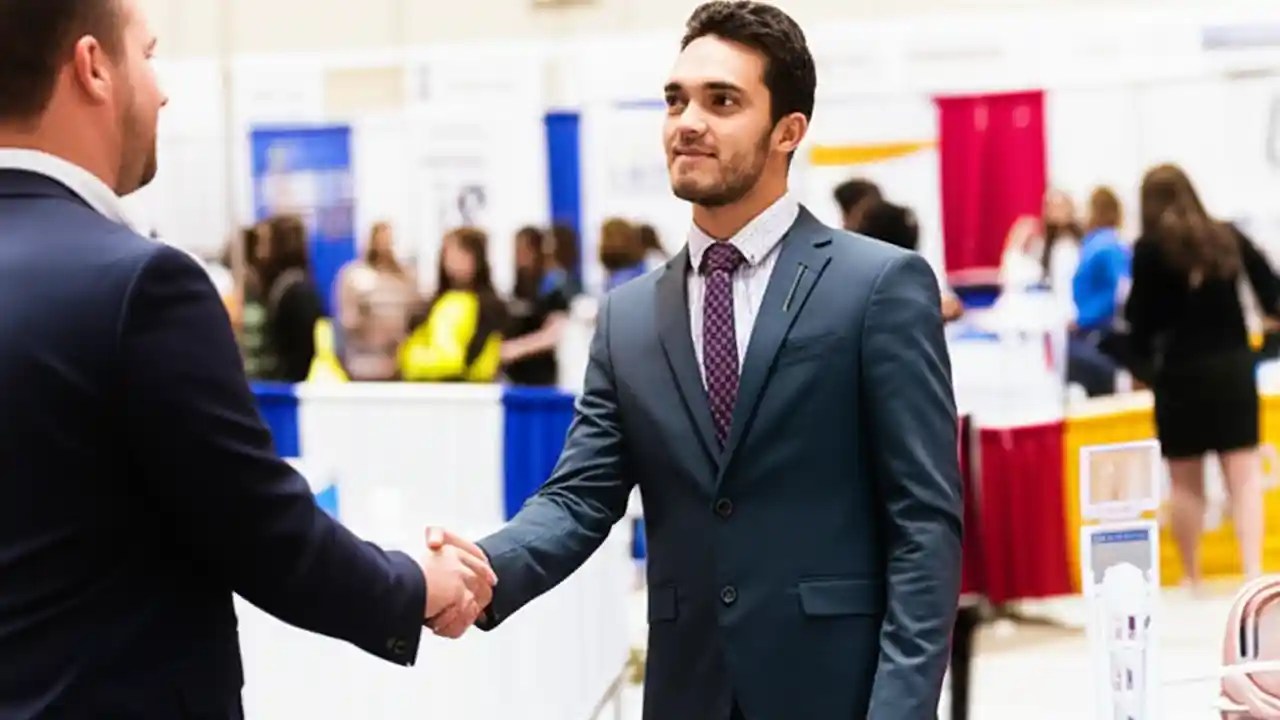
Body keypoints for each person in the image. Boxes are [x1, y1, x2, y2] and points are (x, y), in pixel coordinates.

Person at [428, 2, 963, 718]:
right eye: (676, 99)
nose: (687, 121)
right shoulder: (628, 318)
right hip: (689, 693)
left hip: (834, 691)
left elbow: (923, 522)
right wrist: (486, 568)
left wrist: (900, 709)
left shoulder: (877, 286)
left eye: (722, 101)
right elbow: (580, 497)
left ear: (788, 131)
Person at [0, 1, 495, 716]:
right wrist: (417, 584)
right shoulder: (140, 285)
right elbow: (264, 532)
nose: (164, 88)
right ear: (93, 67)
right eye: (149, 53)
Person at [1125, 164, 1279, 585]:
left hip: (1179, 374)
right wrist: (1264, 349)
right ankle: (1252, 571)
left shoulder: (1148, 250)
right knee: (1244, 478)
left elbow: (1138, 322)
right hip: (1232, 367)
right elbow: (1273, 295)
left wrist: (1143, 367)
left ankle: (1193, 577)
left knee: (1185, 482)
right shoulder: (1226, 235)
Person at [399, 227, 507, 382]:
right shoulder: (437, 303)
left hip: (468, 389)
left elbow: (451, 360)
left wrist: (411, 359)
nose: (453, 261)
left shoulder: (483, 305)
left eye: (462, 253)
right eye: (448, 254)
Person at [336, 221, 422, 381]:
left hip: (398, 363)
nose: (385, 245)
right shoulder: (354, 276)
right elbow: (347, 320)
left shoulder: (405, 279)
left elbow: (416, 316)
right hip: (361, 364)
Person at [503, 226, 572, 386]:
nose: (520, 257)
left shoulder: (554, 286)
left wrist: (515, 349)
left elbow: (555, 332)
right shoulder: (519, 286)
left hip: (541, 374)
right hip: (515, 375)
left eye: (525, 251)